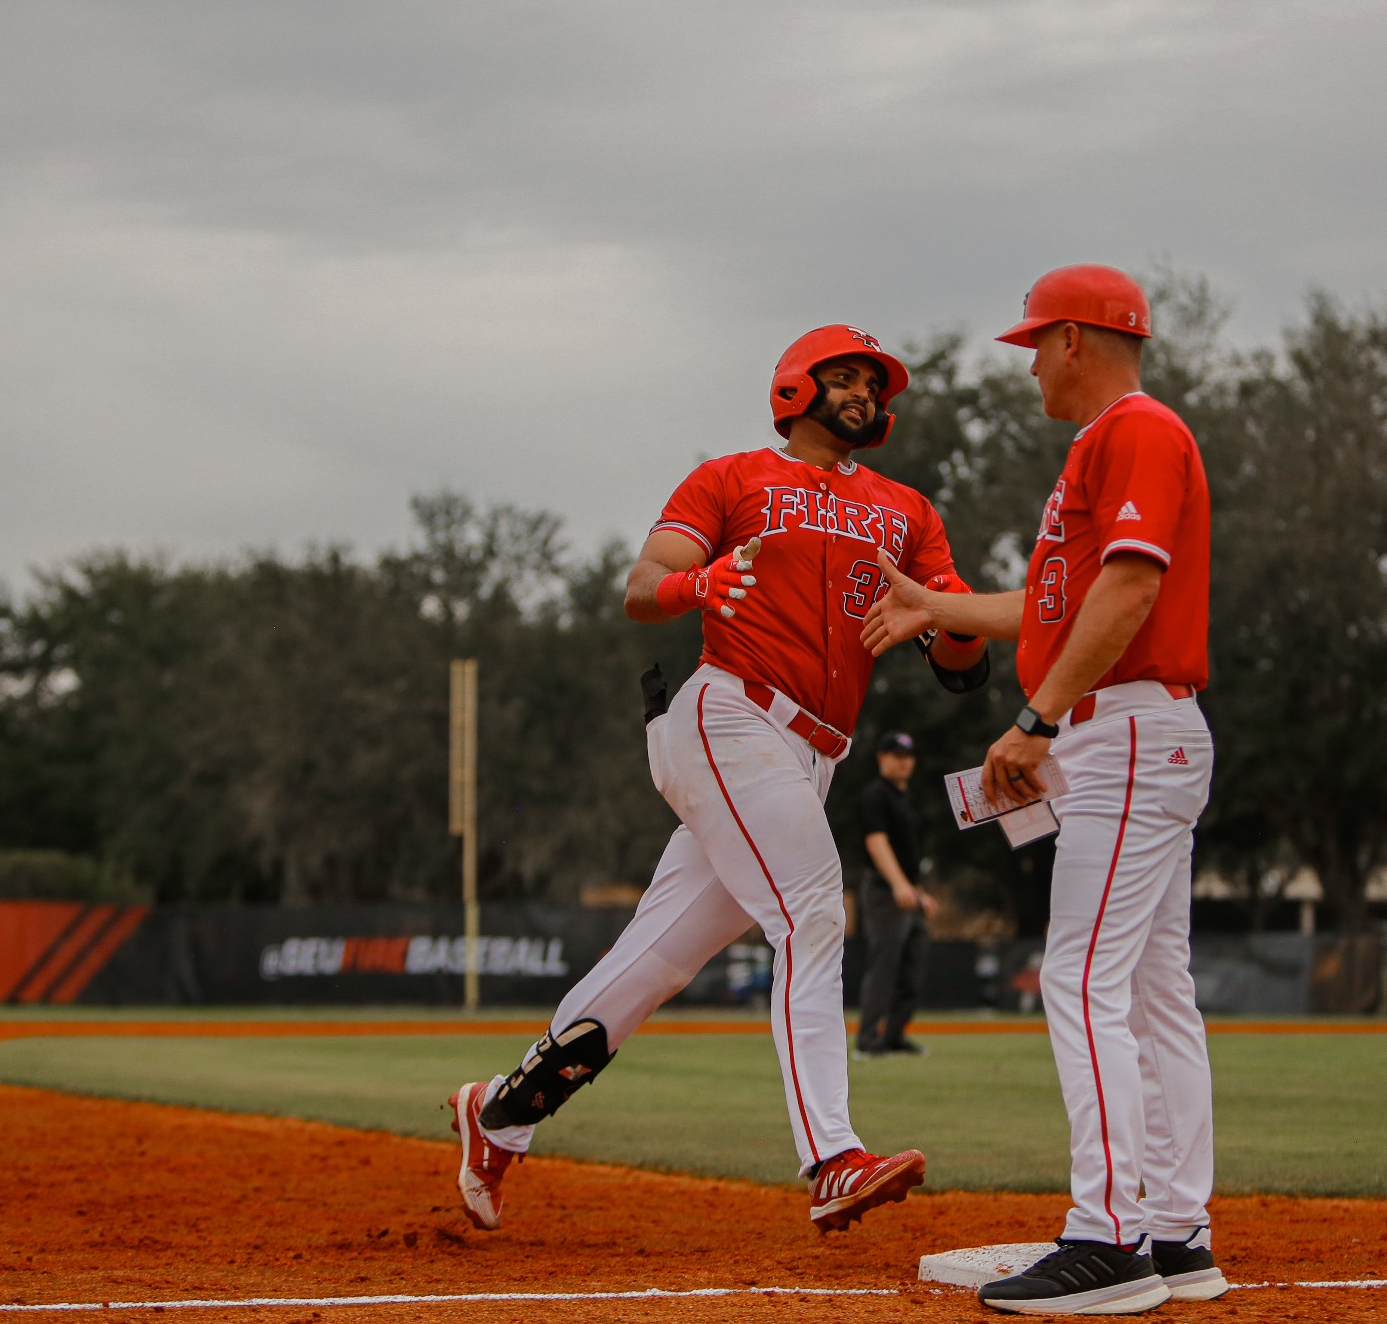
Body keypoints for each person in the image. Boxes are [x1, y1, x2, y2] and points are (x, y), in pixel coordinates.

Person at [448, 325, 989, 1235]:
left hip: (813, 753)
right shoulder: (733, 478)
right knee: (813, 908)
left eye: (871, 382)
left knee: (655, 962)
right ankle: (831, 1157)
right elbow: (640, 582)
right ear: (794, 388)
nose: (862, 392)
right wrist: (695, 586)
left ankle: (499, 1114)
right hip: (728, 715)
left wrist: (939, 614)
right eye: (843, 376)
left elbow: (962, 660)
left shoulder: (907, 510)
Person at [865, 265, 1226, 1315]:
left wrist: (1032, 720)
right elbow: (1055, 601)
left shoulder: (1136, 428)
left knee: (1081, 981)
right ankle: (1174, 1232)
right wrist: (936, 603)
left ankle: (1109, 1241)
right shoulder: (1108, 444)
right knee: (1154, 989)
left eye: (1034, 344)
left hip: (1124, 727)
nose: (1028, 364)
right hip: (1134, 728)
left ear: (1074, 339)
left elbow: (1129, 586)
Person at [857, 729, 937, 1057]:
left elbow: (908, 853)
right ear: (882, 758)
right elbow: (876, 841)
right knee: (885, 962)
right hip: (884, 889)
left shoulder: (905, 798)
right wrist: (899, 885)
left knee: (912, 964)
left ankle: (894, 1034)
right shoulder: (875, 795)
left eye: (908, 757)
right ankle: (868, 1039)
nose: (904, 763)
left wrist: (919, 891)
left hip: (908, 890)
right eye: (897, 756)